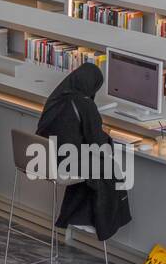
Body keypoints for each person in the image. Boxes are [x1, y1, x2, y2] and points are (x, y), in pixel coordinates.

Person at [34, 63, 132, 242]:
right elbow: (98, 142)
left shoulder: (56, 98)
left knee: (93, 166)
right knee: (110, 167)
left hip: (41, 159)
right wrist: (109, 140)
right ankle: (102, 223)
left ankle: (77, 216)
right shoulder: (85, 104)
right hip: (64, 164)